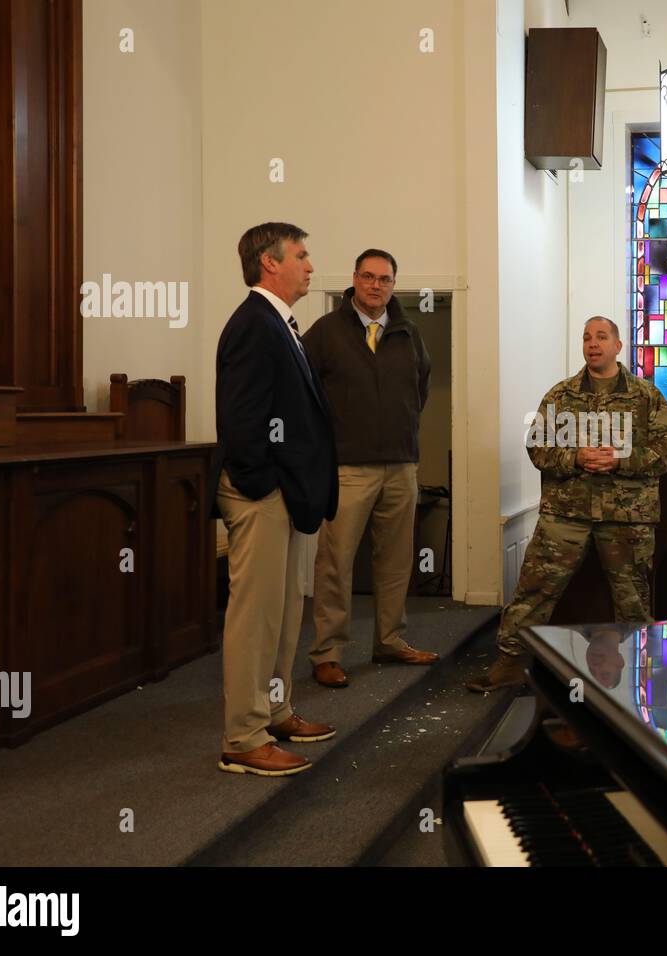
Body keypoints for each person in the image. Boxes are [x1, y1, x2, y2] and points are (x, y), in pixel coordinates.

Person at [465, 317, 667, 692]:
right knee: (534, 590)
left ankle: (641, 675)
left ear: (618, 346)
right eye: (586, 338)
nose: (593, 344)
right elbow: (537, 448)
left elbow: (665, 452)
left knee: (632, 599)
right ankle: (511, 664)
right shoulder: (560, 396)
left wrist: (619, 460)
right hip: (567, 513)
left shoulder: (647, 397)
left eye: (601, 337)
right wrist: (575, 458)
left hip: (626, 515)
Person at [211, 223, 339, 776]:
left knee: (287, 613)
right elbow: (242, 422)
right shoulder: (252, 325)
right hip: (261, 493)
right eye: (302, 256)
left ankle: (277, 710)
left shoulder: (279, 323)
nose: (310, 266)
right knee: (256, 617)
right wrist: (264, 486)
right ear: (270, 262)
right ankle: (243, 736)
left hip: (288, 493)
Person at [301, 249, 439, 688]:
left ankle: (390, 640)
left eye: (384, 279)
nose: (376, 285)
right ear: (354, 280)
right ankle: (327, 652)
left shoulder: (409, 333)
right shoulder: (325, 332)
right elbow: (304, 396)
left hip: (401, 464)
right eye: (368, 277)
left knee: (397, 562)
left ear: (394, 285)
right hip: (347, 467)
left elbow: (420, 390)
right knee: (336, 564)